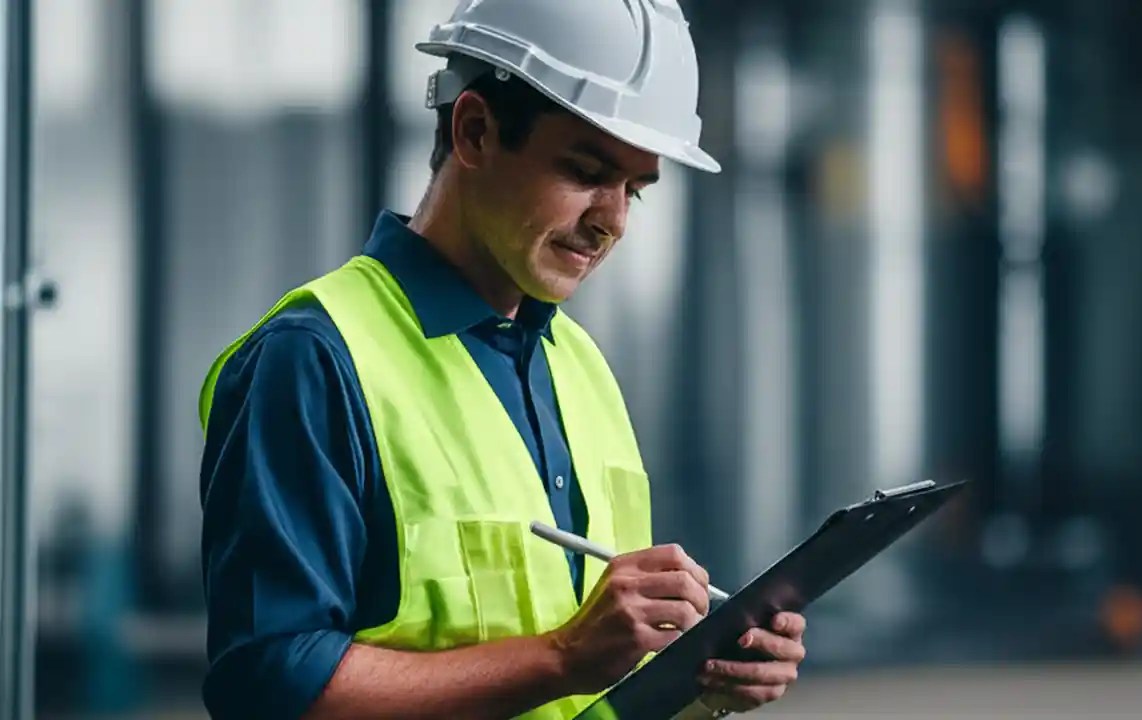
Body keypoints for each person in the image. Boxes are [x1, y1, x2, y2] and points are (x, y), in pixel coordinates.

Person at [197, 1, 806, 718]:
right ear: (476, 131)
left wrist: (697, 678)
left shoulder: (576, 363)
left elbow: (587, 692)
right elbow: (265, 685)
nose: (611, 220)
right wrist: (565, 656)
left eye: (634, 190)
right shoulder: (313, 360)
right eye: (585, 171)